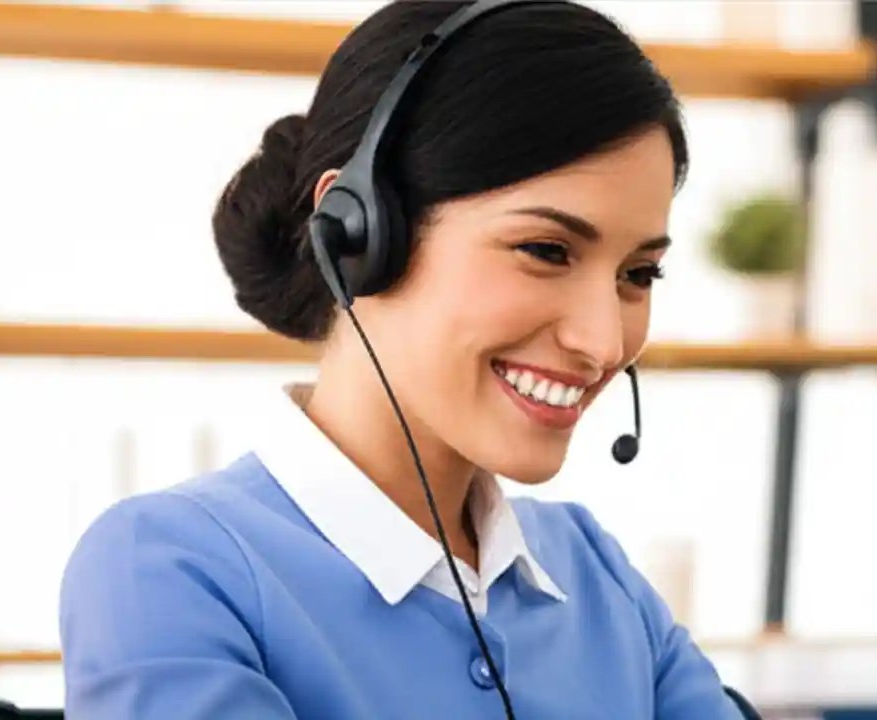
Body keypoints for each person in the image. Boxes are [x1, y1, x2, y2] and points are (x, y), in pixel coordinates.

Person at [58, 1, 746, 718]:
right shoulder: (169, 571)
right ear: (358, 236)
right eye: (545, 251)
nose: (603, 343)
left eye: (638, 276)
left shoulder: (594, 573)